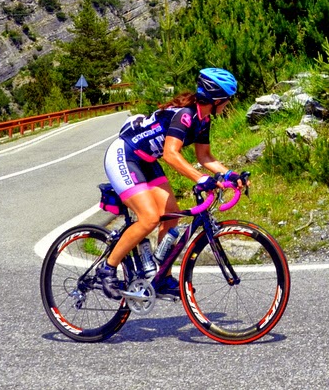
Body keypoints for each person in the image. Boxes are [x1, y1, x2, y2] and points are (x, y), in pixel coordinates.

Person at [95, 67, 241, 299]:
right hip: (125, 154)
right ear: (216, 99)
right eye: (227, 101)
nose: (227, 105)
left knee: (172, 214)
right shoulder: (184, 115)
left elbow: (205, 157)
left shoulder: (203, 121)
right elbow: (171, 154)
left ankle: (162, 277)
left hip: (146, 161)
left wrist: (231, 175)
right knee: (150, 218)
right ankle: (108, 269)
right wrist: (201, 178)